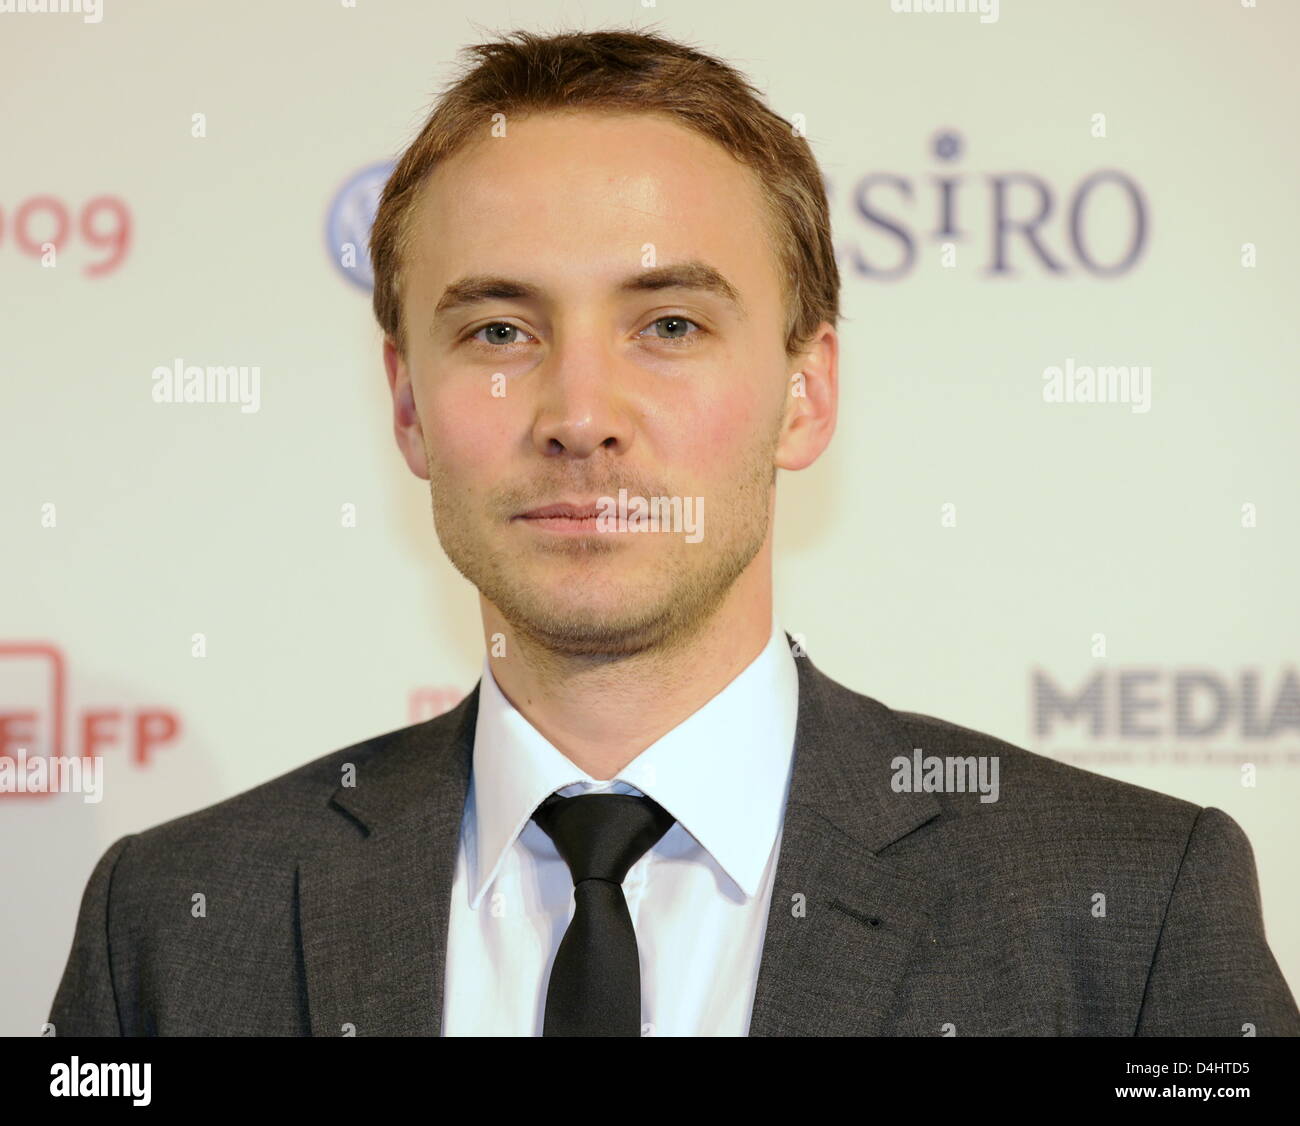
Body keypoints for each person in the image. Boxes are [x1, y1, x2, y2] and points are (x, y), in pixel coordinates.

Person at [50, 27, 1298, 1037]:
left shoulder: (1126, 914)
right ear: (406, 407)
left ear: (805, 393)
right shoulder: (169, 927)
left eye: (669, 325)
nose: (580, 415)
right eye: (498, 330)